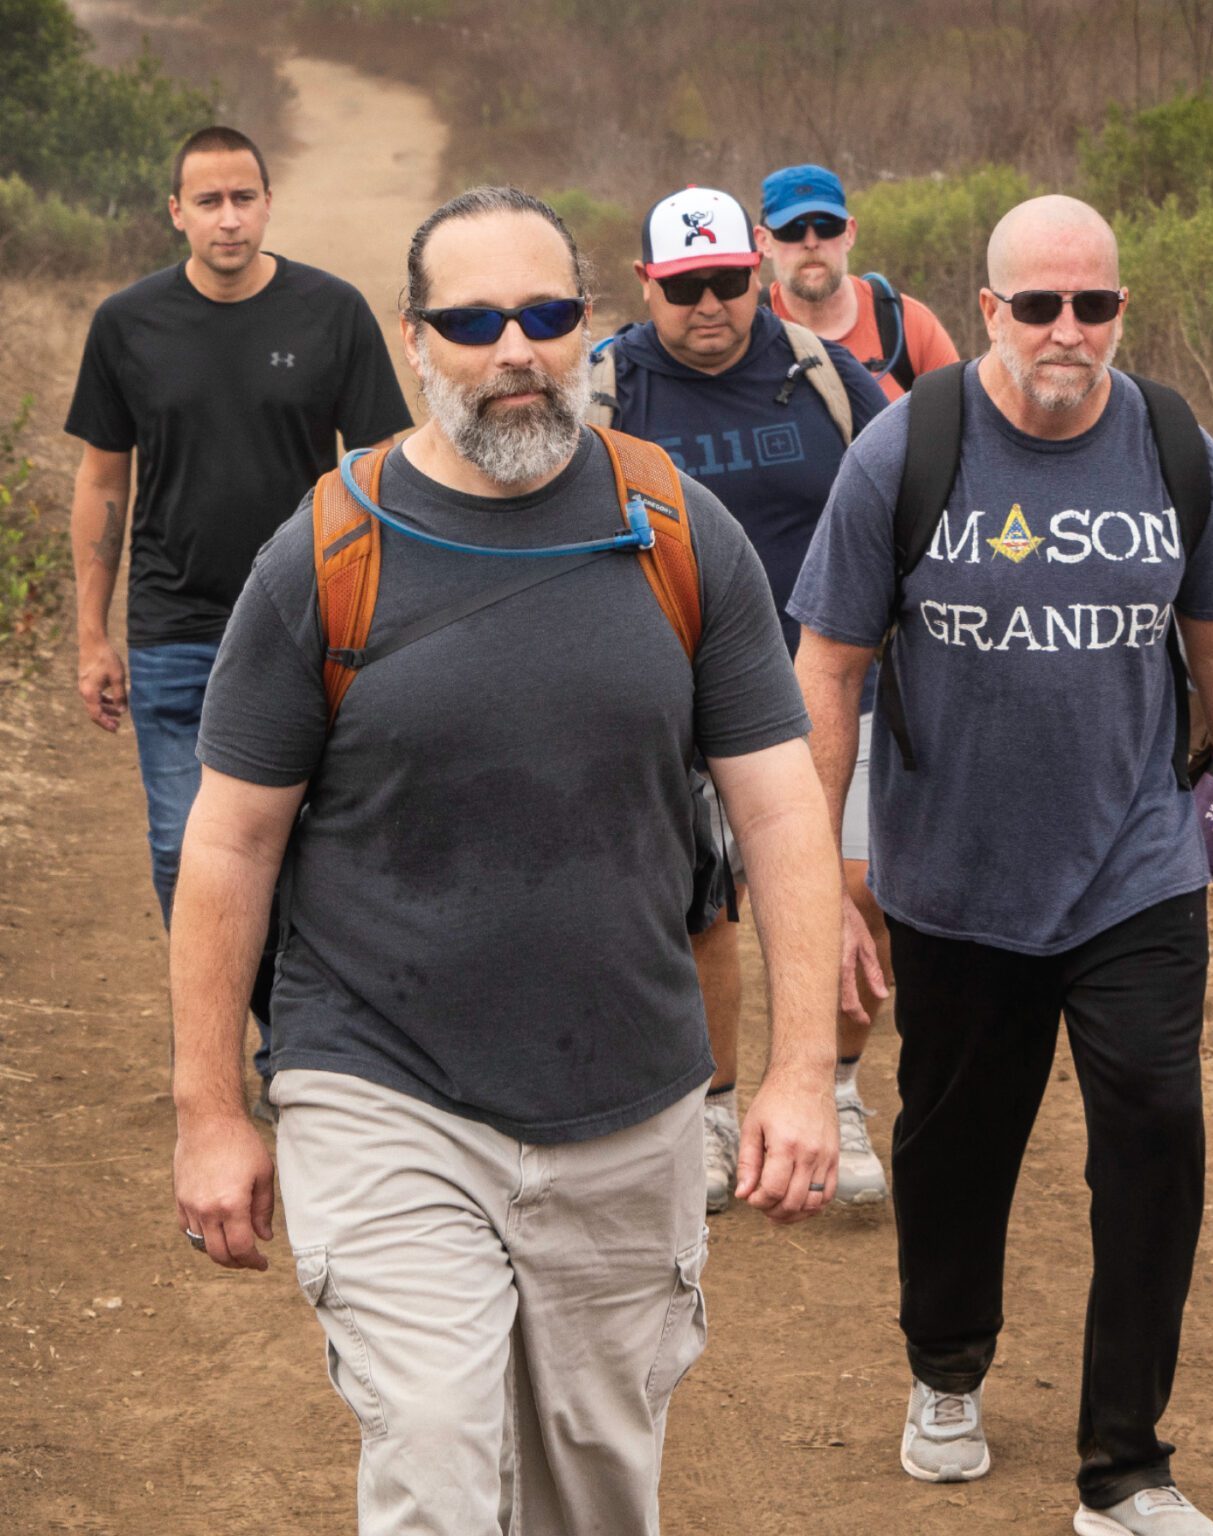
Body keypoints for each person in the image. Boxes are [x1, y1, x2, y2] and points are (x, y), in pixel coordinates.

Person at [170, 185, 842, 1535]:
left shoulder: (676, 533)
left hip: (629, 1102)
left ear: (588, 325)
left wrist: (801, 1073)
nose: (514, 351)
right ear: (416, 340)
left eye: (543, 315)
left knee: (595, 1484)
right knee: (433, 1455)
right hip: (382, 1087)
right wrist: (209, 1112)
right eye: (474, 322)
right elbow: (233, 842)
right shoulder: (327, 553)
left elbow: (779, 817)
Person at [789, 194, 1213, 1535]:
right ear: (989, 312)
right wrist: (818, 888)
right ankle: (946, 1369)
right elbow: (830, 671)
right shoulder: (906, 455)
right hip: (952, 882)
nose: (1066, 330)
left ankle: (1124, 1467)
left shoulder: (1172, 446)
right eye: (1037, 305)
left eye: (1092, 304)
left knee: (1157, 1140)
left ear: (1120, 309)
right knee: (958, 1150)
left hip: (1134, 869)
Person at [65, 125, 411, 1106]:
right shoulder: (126, 323)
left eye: (243, 198)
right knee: (186, 847)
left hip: (313, 623)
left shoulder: (332, 312)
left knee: (315, 841)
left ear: (267, 203)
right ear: (175, 210)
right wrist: (93, 635)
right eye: (207, 201)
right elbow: (102, 481)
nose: (227, 217)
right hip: (173, 623)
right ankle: (246, 1039)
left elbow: (384, 470)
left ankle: (301, 1036)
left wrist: (398, 611)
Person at [588, 184, 889, 1211]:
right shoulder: (609, 390)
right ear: (646, 286)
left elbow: (903, 492)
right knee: (700, 910)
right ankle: (714, 1111)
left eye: (726, 284)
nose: (708, 306)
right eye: (684, 288)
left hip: (827, 687)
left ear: (758, 274)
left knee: (855, 892)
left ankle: (837, 1091)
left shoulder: (822, 376)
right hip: (668, 689)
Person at [756, 162, 960, 402]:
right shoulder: (748, 329)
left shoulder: (907, 326)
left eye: (826, 226)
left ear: (849, 233)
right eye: (791, 230)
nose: (811, 242)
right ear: (763, 241)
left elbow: (958, 425)